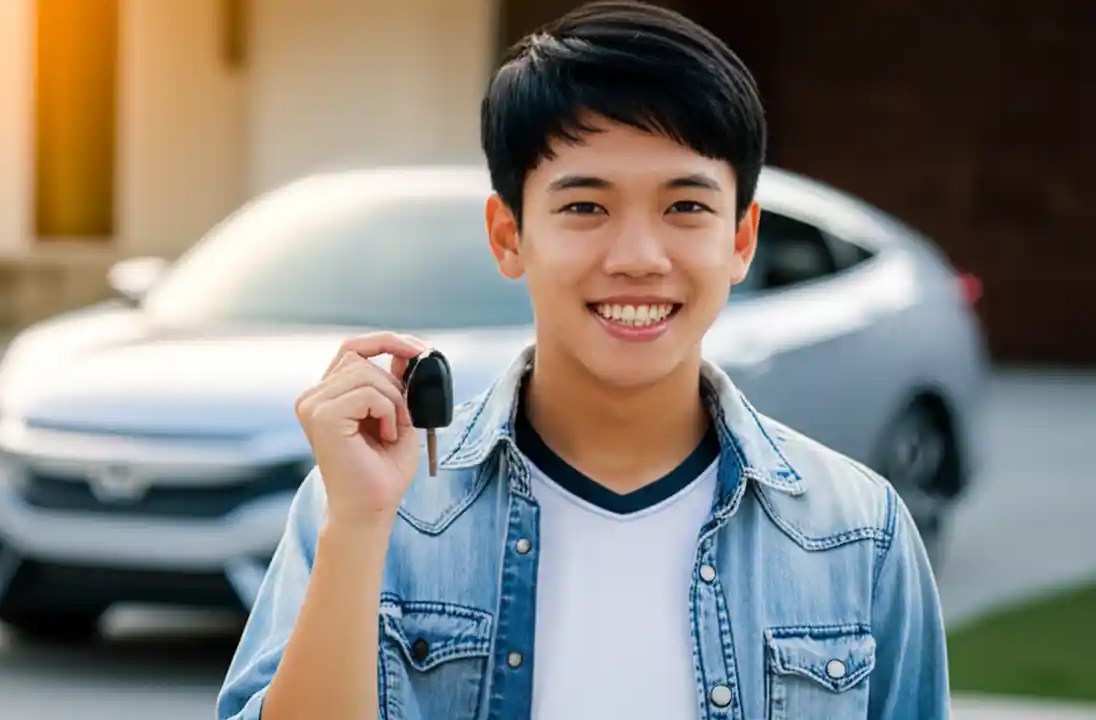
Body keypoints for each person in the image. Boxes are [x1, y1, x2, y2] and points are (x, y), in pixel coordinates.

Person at [216, 1, 950, 718]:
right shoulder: (372, 506)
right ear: (508, 235)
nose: (638, 257)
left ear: (741, 238)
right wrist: (359, 527)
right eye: (585, 207)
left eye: (685, 207)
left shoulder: (858, 530)